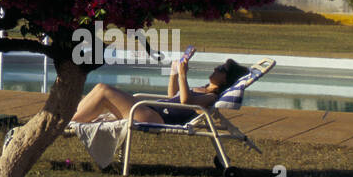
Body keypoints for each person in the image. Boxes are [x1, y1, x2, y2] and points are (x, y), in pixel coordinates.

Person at [71, 54, 250, 125]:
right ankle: (71, 119)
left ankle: (69, 123)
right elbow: (173, 97)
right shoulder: (202, 89)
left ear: (226, 79)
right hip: (152, 108)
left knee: (103, 89)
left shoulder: (211, 96)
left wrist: (182, 75)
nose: (216, 69)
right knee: (100, 90)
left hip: (156, 117)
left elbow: (185, 102)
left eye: (221, 69)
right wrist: (173, 74)